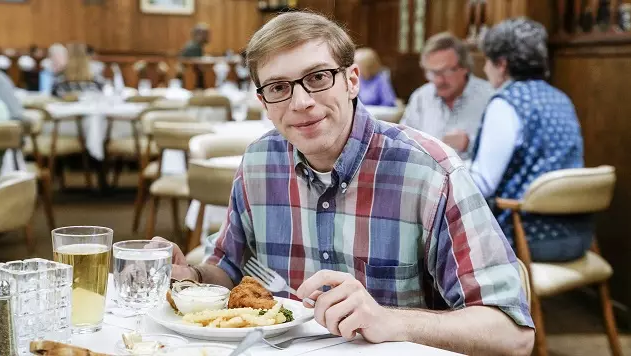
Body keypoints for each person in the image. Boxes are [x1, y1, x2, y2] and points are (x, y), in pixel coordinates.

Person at [156, 12, 534, 355]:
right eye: (278, 87)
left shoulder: (429, 171)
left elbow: (512, 334)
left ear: (351, 80)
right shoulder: (259, 163)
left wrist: (390, 320)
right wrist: (193, 278)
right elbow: (228, 270)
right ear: (264, 103)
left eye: (318, 78)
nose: (301, 102)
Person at [470, 18, 588, 262]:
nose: (484, 69)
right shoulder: (560, 98)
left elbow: (482, 184)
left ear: (501, 64)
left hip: (526, 236)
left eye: (487, 61)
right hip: (580, 233)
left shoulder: (506, 103)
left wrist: (448, 169)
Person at [400, 33, 493, 158]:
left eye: (445, 72)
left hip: (470, 175)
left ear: (464, 67)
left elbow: (504, 151)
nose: (439, 81)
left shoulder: (490, 97)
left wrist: (469, 144)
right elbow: (402, 141)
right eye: (433, 73)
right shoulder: (421, 97)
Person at [180, 23, 210, 89]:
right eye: (206, 34)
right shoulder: (194, 47)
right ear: (198, 34)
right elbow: (198, 67)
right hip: (190, 81)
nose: (208, 37)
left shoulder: (196, 45)